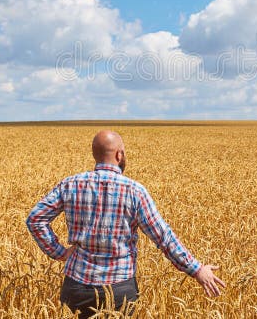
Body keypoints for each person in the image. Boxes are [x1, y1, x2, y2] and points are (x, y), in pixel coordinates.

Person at [26, 130, 225, 317]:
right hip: (119, 289)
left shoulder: (70, 184)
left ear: (95, 155)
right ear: (119, 155)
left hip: (77, 287)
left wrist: (59, 252)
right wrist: (197, 269)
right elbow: (163, 237)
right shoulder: (134, 191)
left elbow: (35, 219)